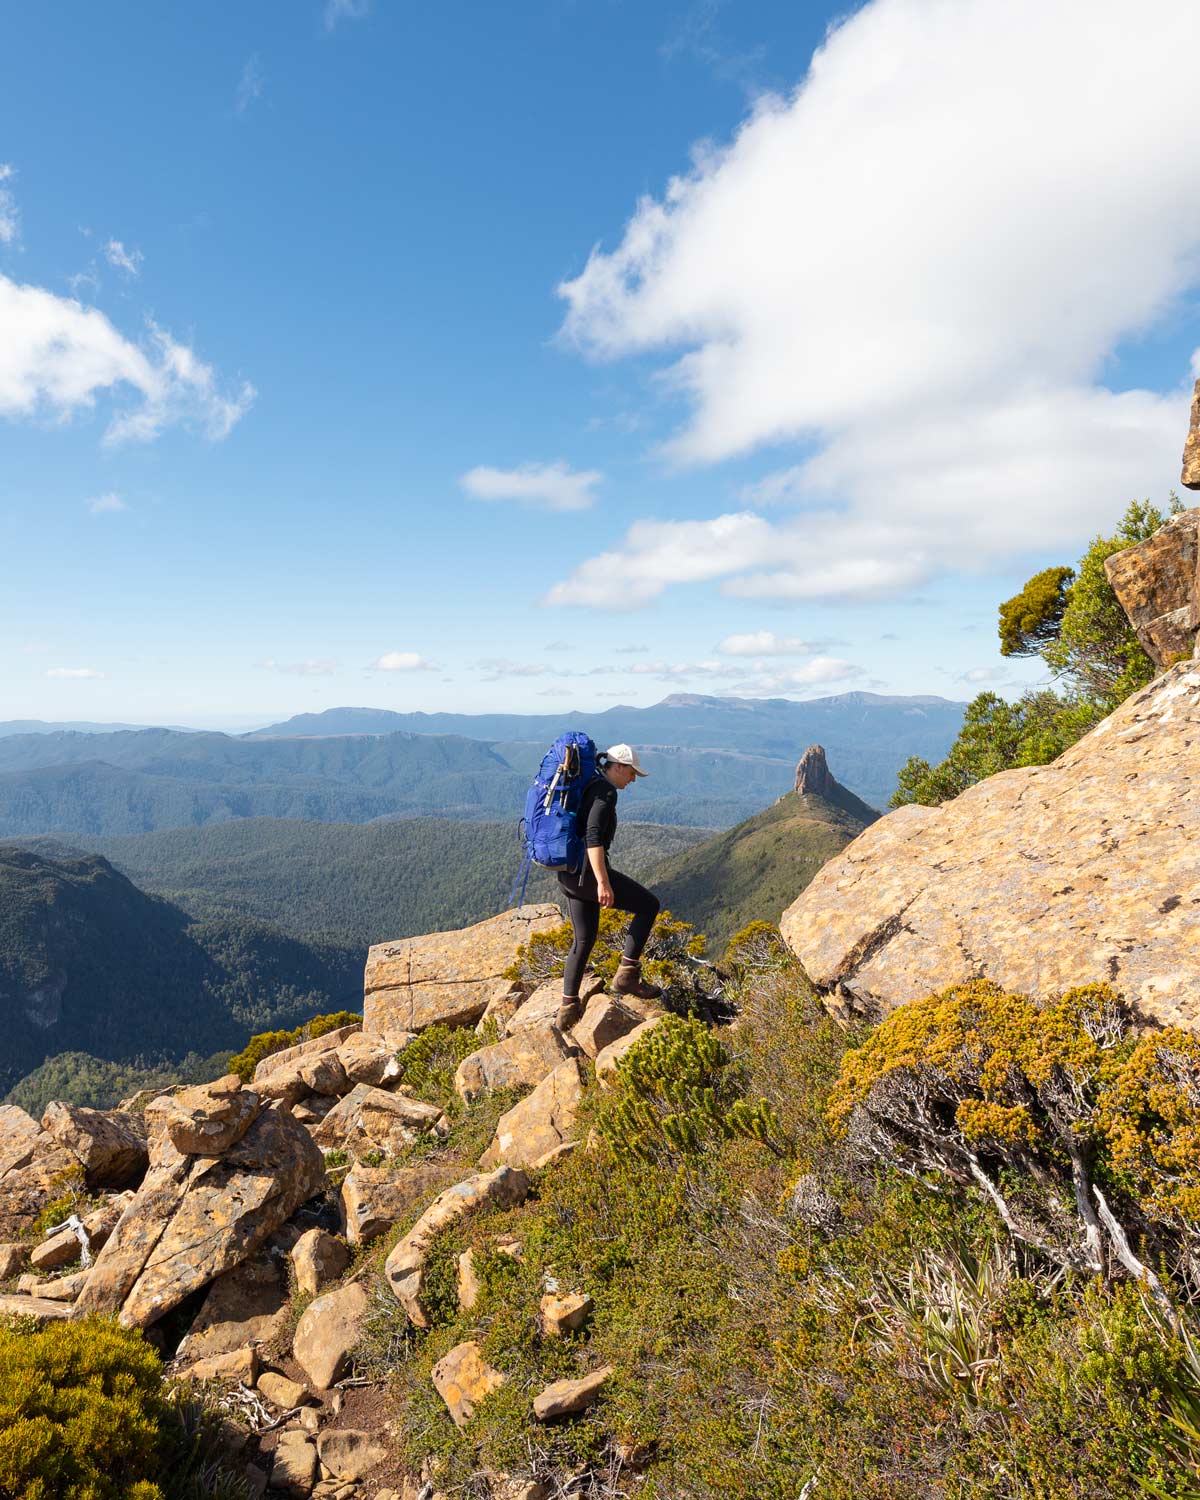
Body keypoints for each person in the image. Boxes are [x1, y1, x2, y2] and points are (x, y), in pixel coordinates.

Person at [556, 743, 663, 1032]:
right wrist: (603, 882)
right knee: (648, 905)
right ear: (618, 767)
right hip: (587, 874)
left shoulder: (589, 782)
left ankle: (568, 1009)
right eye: (631, 774)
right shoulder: (605, 791)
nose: (633, 780)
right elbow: (593, 837)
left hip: (569, 874)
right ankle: (627, 974)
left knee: (583, 939)